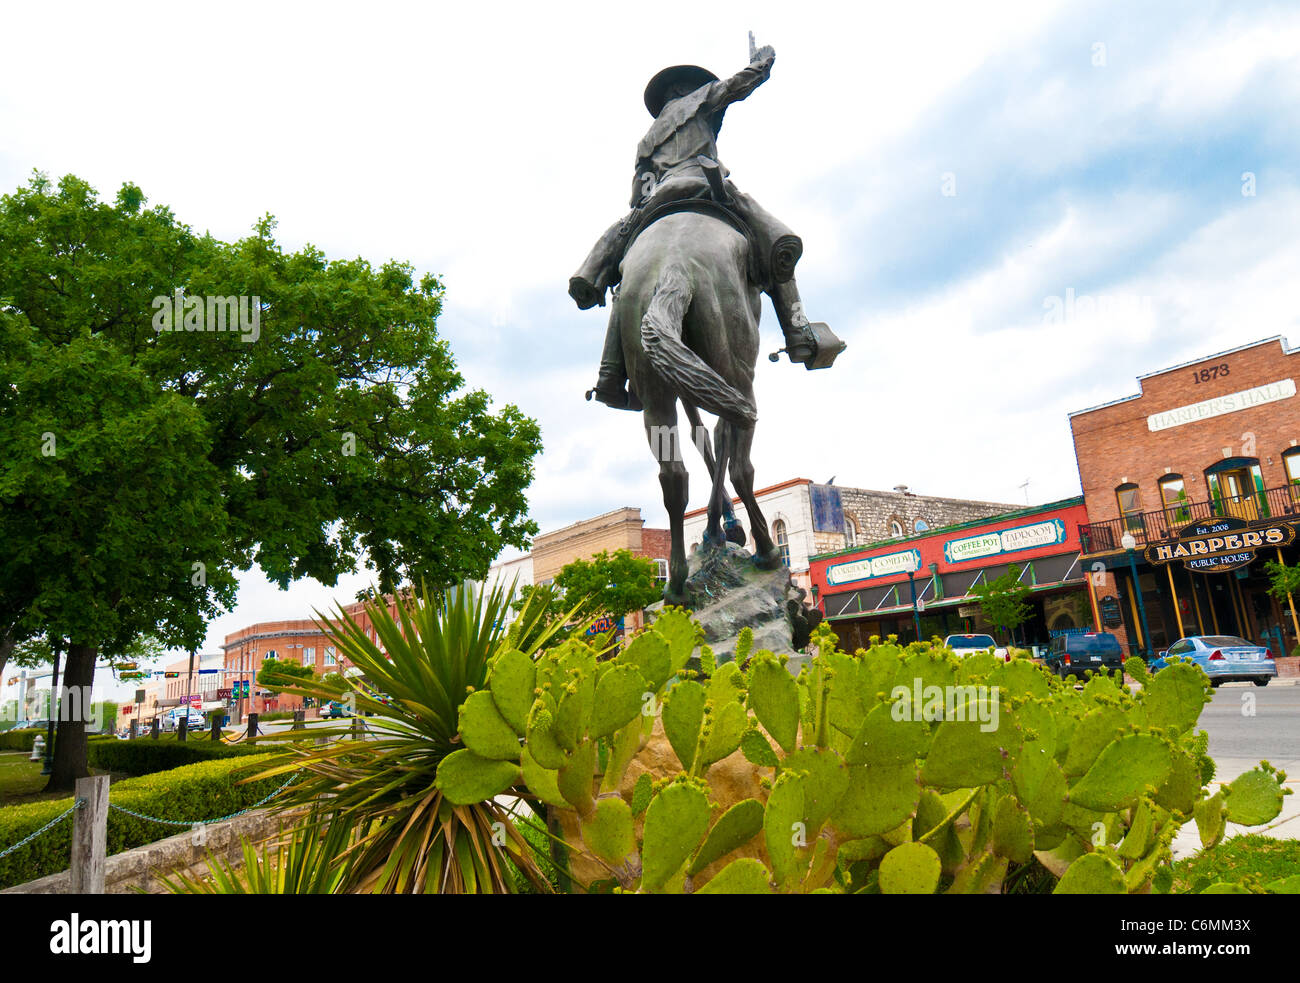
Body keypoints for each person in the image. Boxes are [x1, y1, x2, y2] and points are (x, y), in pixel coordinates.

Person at [570, 36, 831, 410]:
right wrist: (760, 65)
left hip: (657, 202)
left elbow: (638, 192)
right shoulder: (701, 101)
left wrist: (643, 209)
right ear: (685, 90)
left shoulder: (646, 140)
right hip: (705, 187)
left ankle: (610, 375)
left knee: (626, 278)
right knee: (777, 248)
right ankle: (798, 331)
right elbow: (734, 88)